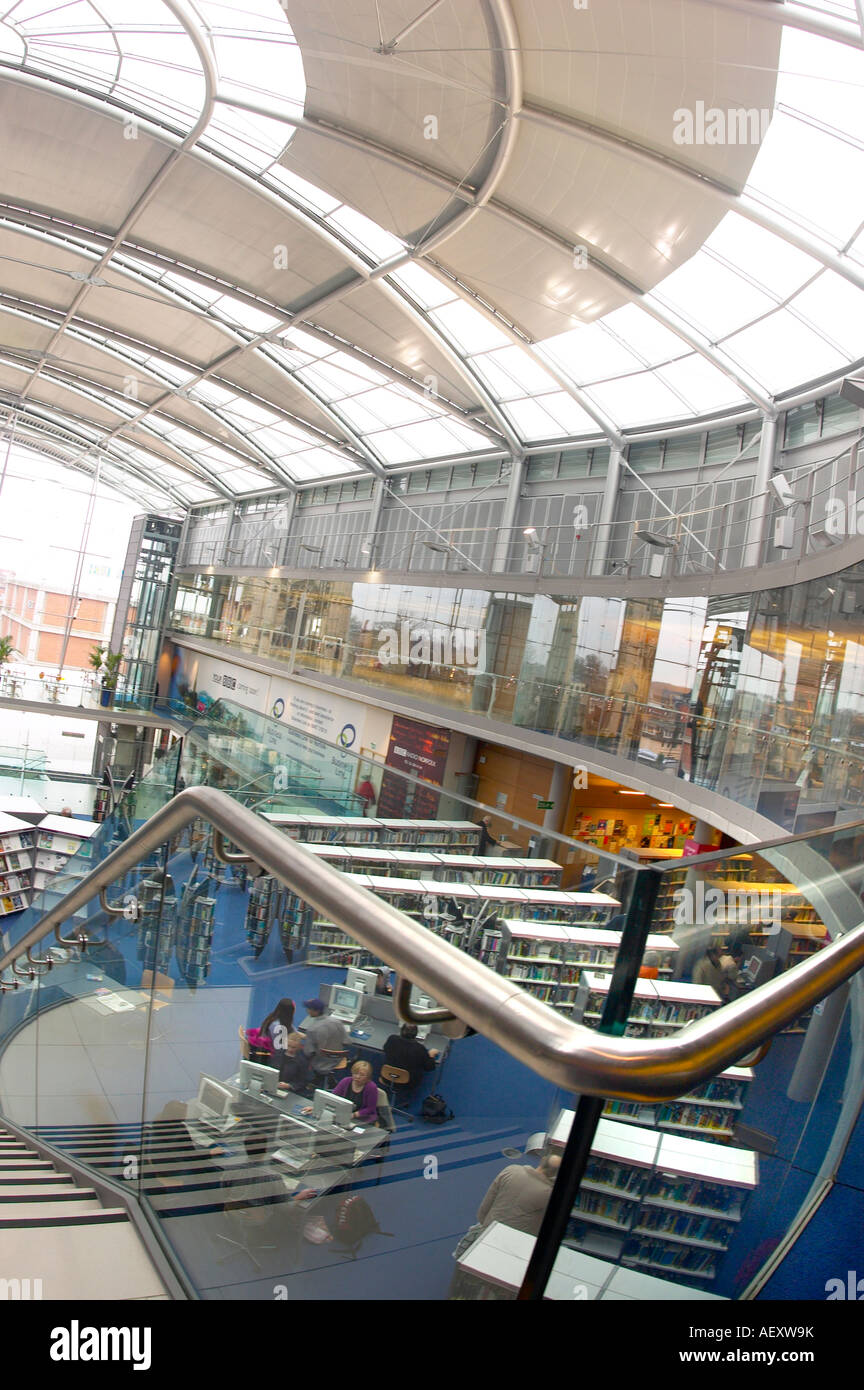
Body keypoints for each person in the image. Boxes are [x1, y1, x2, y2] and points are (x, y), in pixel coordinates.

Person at [299, 997, 349, 1079]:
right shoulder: (337, 1022)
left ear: (316, 1011)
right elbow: (347, 1042)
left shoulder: (312, 1030)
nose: (307, 1010)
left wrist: (308, 1039)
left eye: (309, 1009)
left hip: (320, 1064)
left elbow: (308, 1053)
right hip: (337, 1060)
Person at [383, 1023, 439, 1092]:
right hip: (408, 1083)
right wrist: (431, 1055)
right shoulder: (419, 1049)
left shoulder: (392, 1039)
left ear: (401, 1031)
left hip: (387, 1077)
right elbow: (429, 1067)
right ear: (416, 1034)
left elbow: (385, 1049)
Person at [332, 1059, 379, 1124]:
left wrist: (353, 1115)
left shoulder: (371, 1087)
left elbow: (370, 1108)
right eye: (355, 1073)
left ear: (368, 1077)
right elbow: (333, 1097)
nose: (357, 1077)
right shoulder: (345, 1081)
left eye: (362, 1075)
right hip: (344, 1115)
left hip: (363, 1119)